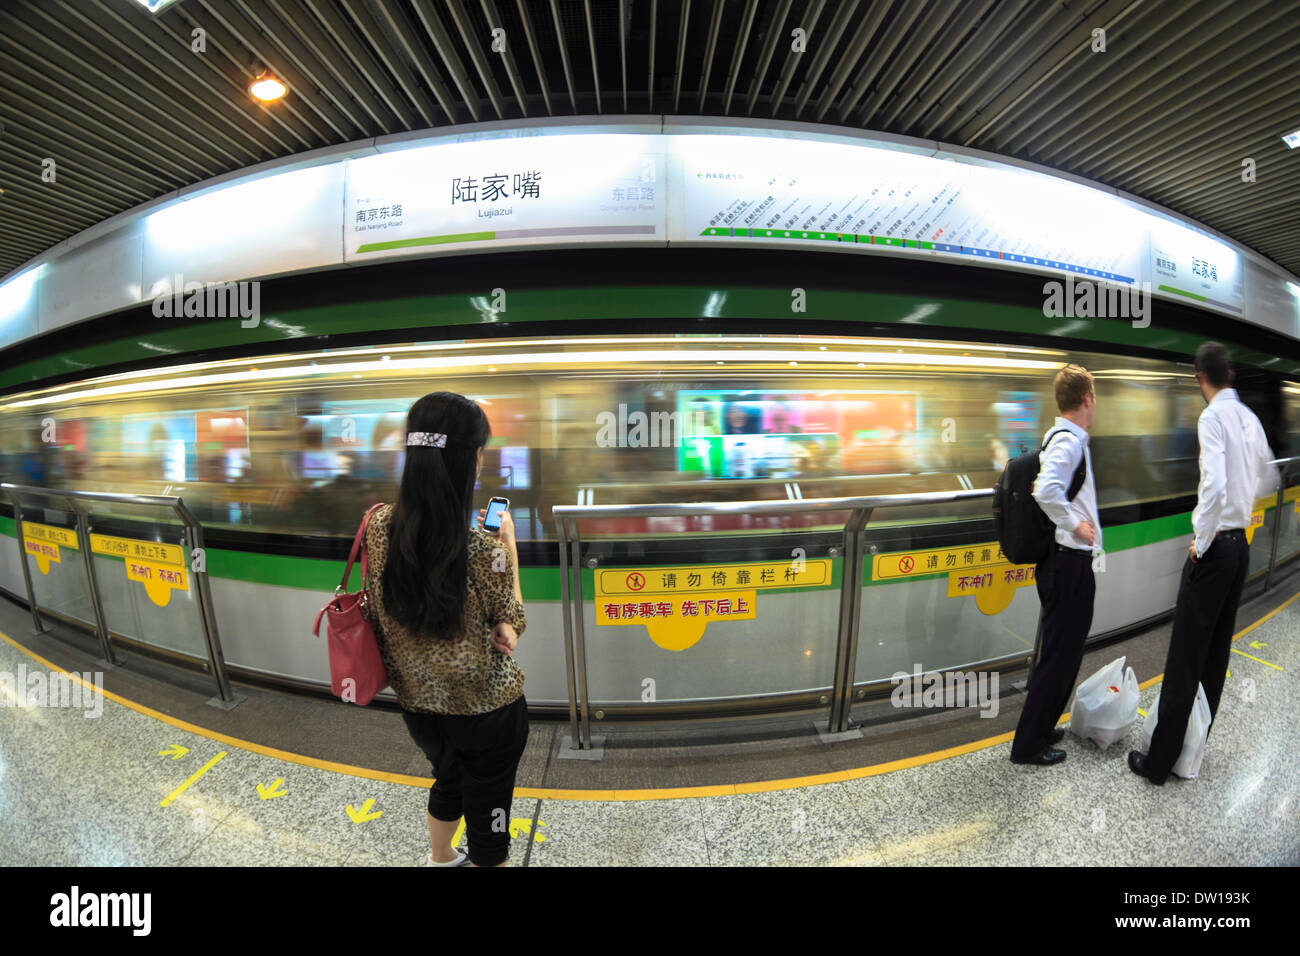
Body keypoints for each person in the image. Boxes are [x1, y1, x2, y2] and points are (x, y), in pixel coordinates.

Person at [365, 391, 528, 866]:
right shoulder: (481, 549)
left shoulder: (377, 525)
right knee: (491, 806)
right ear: (470, 458)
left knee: (448, 776)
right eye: (481, 453)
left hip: (418, 706)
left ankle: (440, 857)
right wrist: (508, 545)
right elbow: (512, 623)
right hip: (486, 711)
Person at [1129, 343, 1277, 784]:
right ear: (1228, 373)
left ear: (1200, 377)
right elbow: (1268, 475)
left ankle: (1159, 764)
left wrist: (1201, 539)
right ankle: (1192, 750)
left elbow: (1211, 484)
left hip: (1215, 549)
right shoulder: (1249, 418)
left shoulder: (1211, 418)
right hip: (1241, 548)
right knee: (1215, 653)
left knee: (1184, 658)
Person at [1010, 364, 1101, 766]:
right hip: (1068, 563)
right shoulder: (1070, 442)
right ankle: (1028, 745)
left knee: (1060, 651)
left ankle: (1043, 726)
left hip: (1059, 562)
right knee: (1061, 656)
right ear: (1087, 399)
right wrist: (1076, 525)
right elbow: (1046, 490)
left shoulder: (1060, 437)